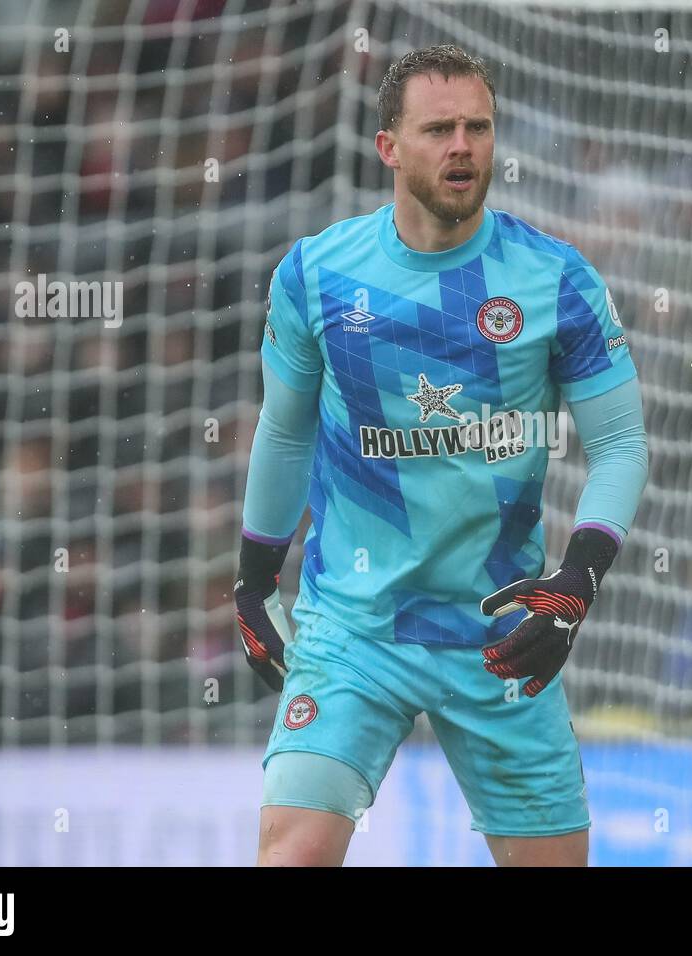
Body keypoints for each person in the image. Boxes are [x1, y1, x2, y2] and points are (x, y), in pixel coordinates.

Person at [235, 44, 648, 867]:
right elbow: (285, 432)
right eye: (439, 129)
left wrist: (578, 581)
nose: (462, 146)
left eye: (478, 127)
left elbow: (620, 444)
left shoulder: (554, 280)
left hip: (499, 633)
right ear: (390, 146)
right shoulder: (316, 276)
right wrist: (254, 577)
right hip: (355, 629)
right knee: (293, 857)